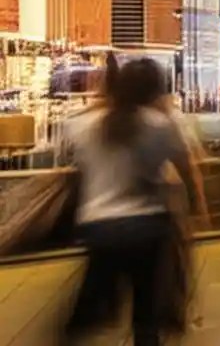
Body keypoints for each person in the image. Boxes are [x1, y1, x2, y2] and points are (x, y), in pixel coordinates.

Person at [63, 57, 204, 346]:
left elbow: (78, 170)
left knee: (86, 312)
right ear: (156, 90)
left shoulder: (86, 125)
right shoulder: (160, 125)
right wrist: (196, 207)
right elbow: (187, 168)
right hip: (148, 227)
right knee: (147, 313)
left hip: (98, 227)